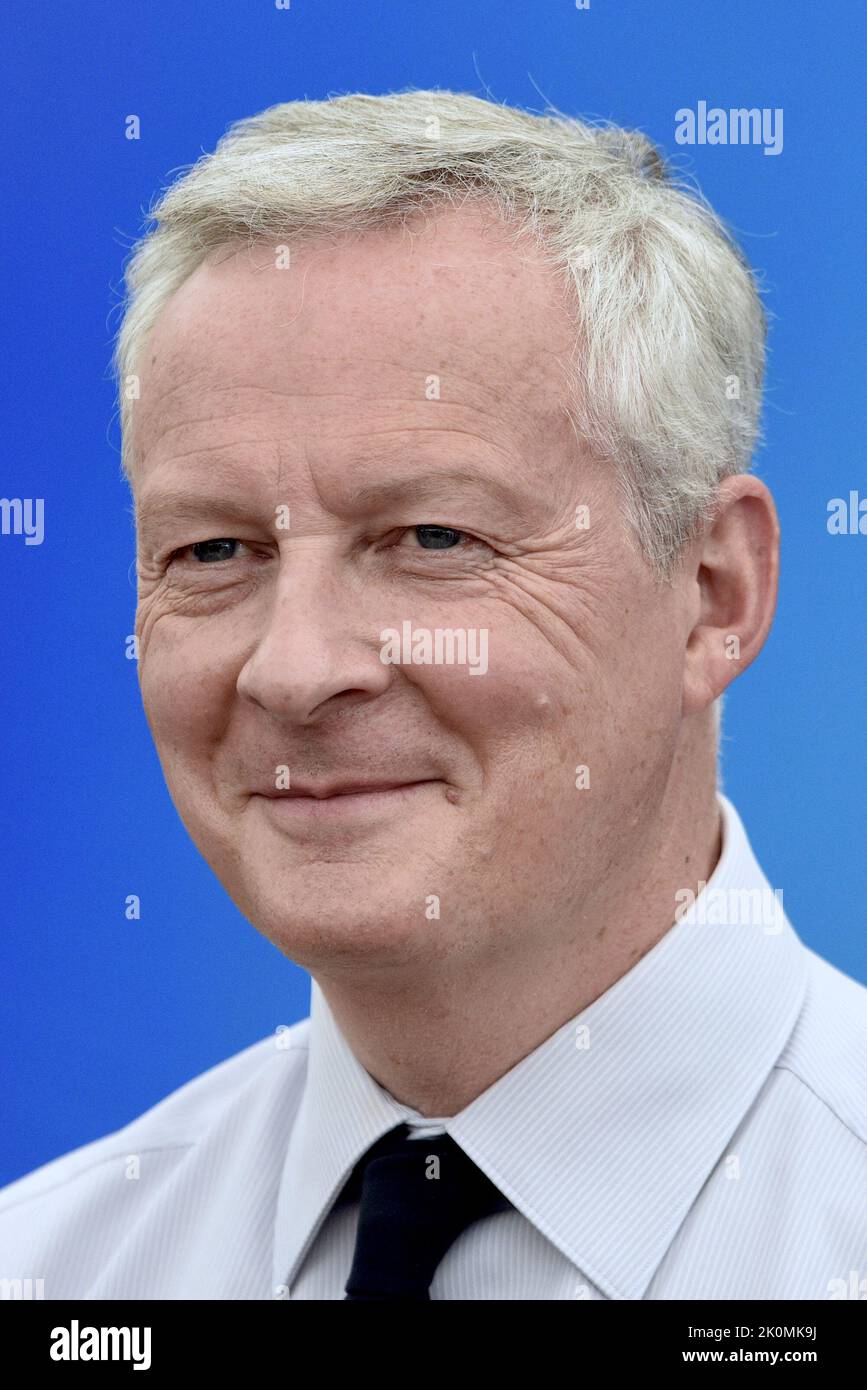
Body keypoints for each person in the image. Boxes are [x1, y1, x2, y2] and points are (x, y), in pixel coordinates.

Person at [1, 90, 864, 1301]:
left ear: (716, 592)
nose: (294, 670)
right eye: (214, 551)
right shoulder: (52, 1273)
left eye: (432, 535)